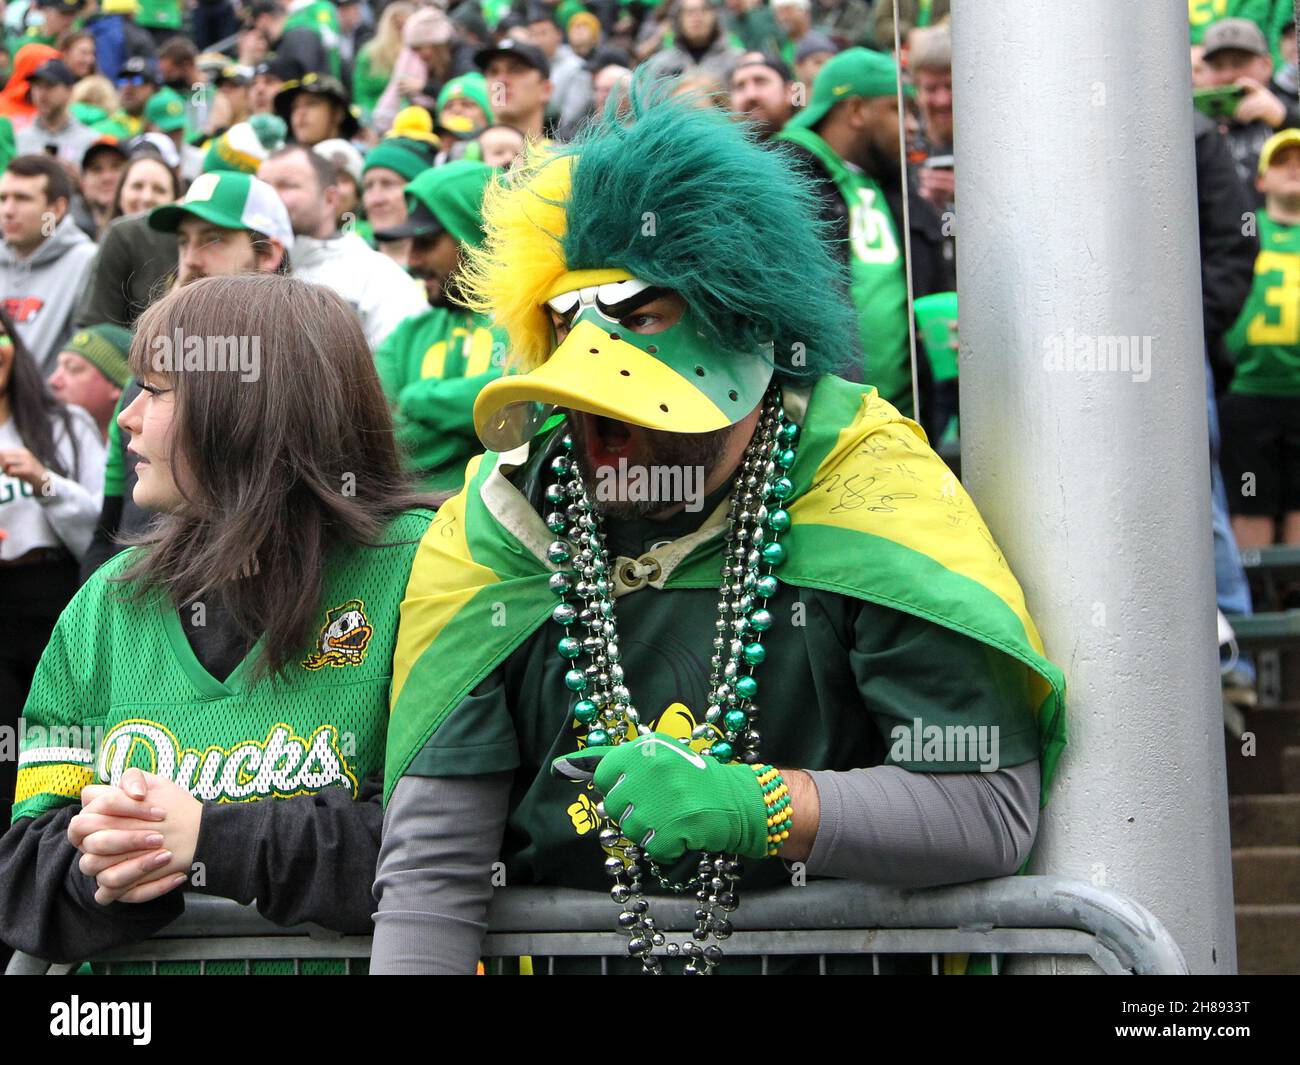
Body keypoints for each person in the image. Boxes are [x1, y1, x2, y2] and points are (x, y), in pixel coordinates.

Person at [371, 86, 1064, 976]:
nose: (597, 433)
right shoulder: (501, 522)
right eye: (577, 383)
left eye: (640, 326)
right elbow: (433, 871)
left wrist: (763, 807)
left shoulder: (862, 482)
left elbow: (989, 808)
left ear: (744, 332)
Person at [0, 273, 434, 967]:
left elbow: (442, 850)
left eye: (156, 389)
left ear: (247, 403)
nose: (126, 417)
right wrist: (121, 856)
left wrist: (209, 838)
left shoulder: (420, 569)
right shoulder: (104, 603)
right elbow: (23, 871)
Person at [777, 48, 953, 423]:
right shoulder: (782, 183)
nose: (912, 127)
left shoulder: (901, 191)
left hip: (908, 433)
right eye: (897, 109)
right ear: (856, 111)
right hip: (819, 437)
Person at [0, 308, 104, 826]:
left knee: (54, 734)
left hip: (49, 589)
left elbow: (97, 527)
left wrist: (43, 481)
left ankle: (49, 842)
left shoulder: (62, 423)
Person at [372, 160, 504, 490]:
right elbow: (373, 439)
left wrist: (418, 398)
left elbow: (524, 403)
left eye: (427, 243)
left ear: (474, 234)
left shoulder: (537, 323)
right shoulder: (405, 336)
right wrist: (476, 433)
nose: (412, 260)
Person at [258, 144, 426, 350]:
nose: (270, 197)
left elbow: (393, 370)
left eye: (287, 185)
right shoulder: (246, 265)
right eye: (264, 187)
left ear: (330, 199)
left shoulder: (375, 276)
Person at [1221, 128, 1300, 547]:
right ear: (1261, 179)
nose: (1294, 170)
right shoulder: (1247, 230)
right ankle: (1258, 598)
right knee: (1251, 501)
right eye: (1283, 162)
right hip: (1248, 392)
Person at [0, 155, 98, 376]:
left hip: (46, 407)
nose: (7, 210)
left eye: (22, 199)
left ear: (56, 209)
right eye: (3, 198)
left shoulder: (87, 262)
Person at [1202, 17, 1300, 204]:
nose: (1228, 75)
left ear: (1266, 65)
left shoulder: (1289, 102)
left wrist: (1285, 118)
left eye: (1239, 63)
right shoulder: (1195, 121)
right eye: (1217, 66)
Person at [148, 169, 293, 287]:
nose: (190, 260)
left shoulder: (301, 322)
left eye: (213, 241)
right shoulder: (170, 320)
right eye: (183, 241)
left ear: (269, 255)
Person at [360, 120, 437, 265]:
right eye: (368, 186)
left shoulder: (442, 272)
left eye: (388, 184)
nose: (375, 200)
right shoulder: (351, 262)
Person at [47, 323, 131, 439]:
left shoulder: (141, 454)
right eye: (58, 367)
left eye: (73, 368)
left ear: (116, 386)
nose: (53, 381)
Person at [13, 58, 100, 165]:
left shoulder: (91, 141)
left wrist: (77, 179)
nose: (42, 93)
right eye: (37, 85)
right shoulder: (18, 139)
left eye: (50, 85)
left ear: (69, 91)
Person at [527, 7, 592, 137]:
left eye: (543, 33)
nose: (537, 40)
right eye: (533, 34)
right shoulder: (527, 66)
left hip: (563, 139)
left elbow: (571, 118)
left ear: (558, 35)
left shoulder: (576, 67)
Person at [644, 0, 742, 85]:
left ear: (715, 17)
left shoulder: (736, 60)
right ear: (679, 20)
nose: (697, 17)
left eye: (704, 10)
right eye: (689, 12)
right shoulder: (661, 65)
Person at [477, 38, 552, 141]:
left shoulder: (569, 157)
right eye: (493, 72)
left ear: (546, 89)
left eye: (516, 70)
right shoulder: (458, 154)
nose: (502, 80)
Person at [352, 0, 412, 124]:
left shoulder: (415, 55)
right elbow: (361, 94)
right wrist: (368, 120)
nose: (400, 32)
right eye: (398, 26)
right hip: (373, 118)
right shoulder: (370, 53)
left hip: (406, 119)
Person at [274, 72, 359, 148]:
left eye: (311, 103)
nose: (300, 112)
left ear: (338, 113)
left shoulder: (360, 160)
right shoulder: (282, 157)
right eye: (294, 107)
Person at [71, 137, 128, 239]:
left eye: (116, 167)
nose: (107, 177)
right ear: (82, 181)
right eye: (96, 169)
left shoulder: (143, 226)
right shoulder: (65, 225)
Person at [728, 52, 795, 139]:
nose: (751, 95)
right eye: (740, 86)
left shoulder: (805, 145)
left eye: (761, 82)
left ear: (789, 92)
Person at [143, 86, 203, 181]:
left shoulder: (198, 160)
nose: (175, 137)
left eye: (178, 130)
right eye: (169, 131)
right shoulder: (136, 157)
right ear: (149, 127)